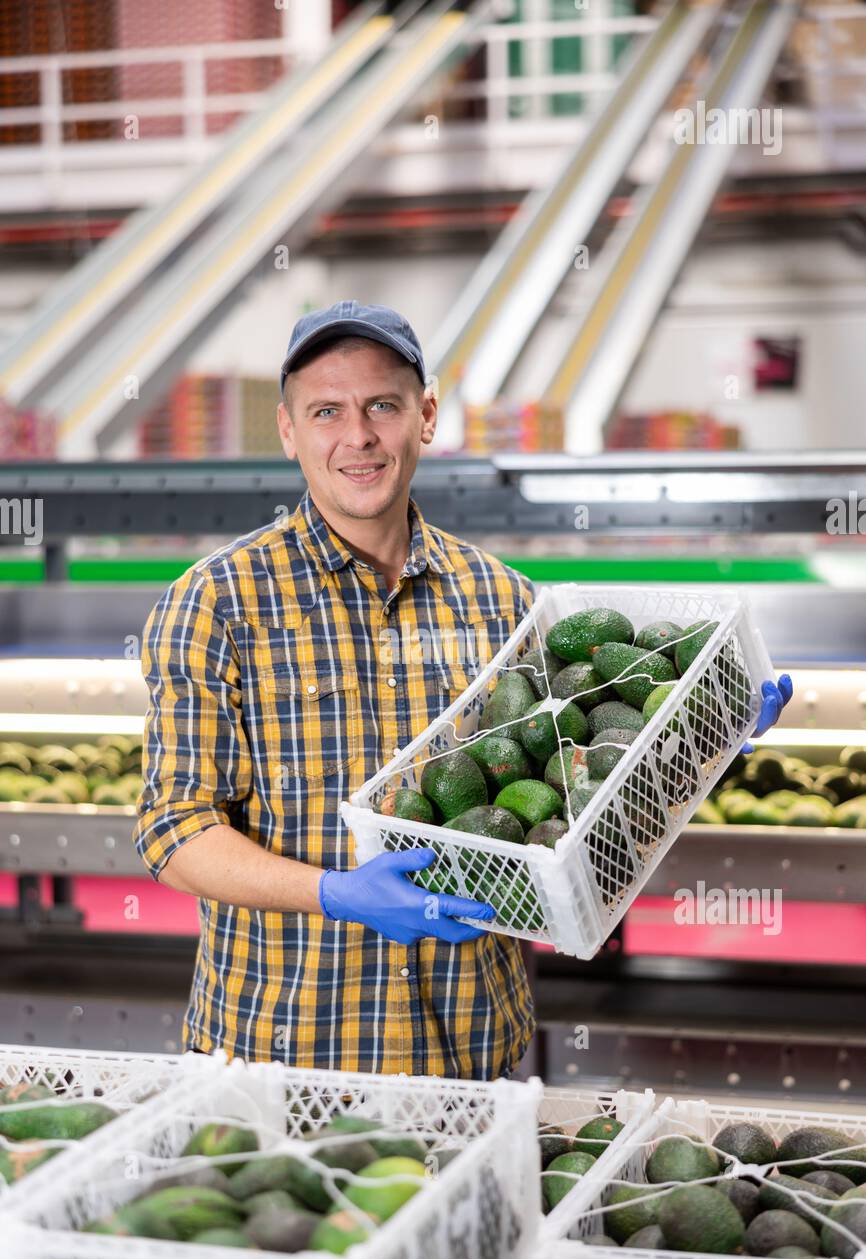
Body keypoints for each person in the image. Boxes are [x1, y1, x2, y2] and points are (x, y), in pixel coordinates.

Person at [134, 299, 792, 1077]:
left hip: (475, 1057)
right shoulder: (216, 601)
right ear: (288, 430)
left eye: (384, 404)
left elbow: (582, 792)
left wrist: (694, 734)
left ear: (427, 416)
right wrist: (337, 892)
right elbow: (173, 831)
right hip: (281, 1058)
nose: (358, 437)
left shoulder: (505, 600)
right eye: (326, 411)